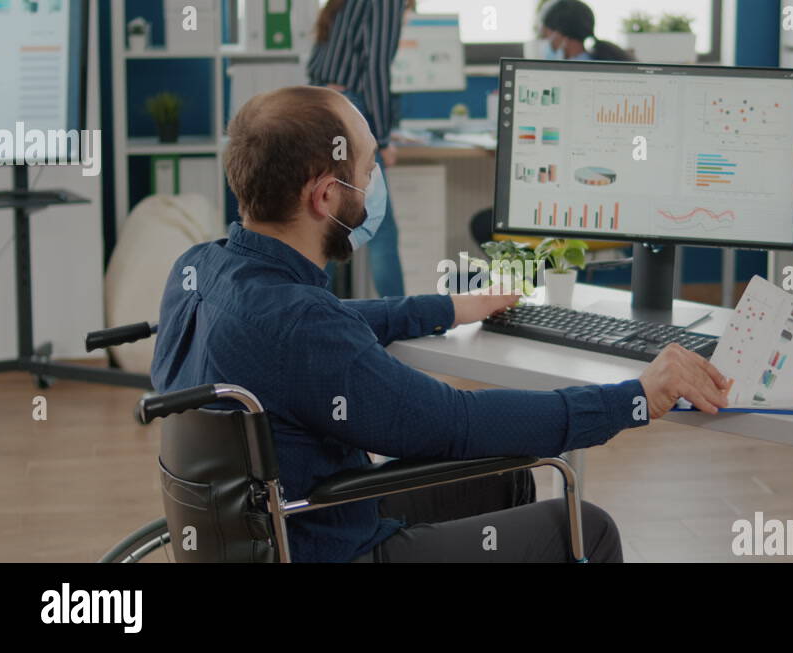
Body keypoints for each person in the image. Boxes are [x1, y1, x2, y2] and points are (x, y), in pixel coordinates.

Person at [151, 86, 730, 563]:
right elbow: (457, 422)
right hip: (334, 545)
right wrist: (632, 399)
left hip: (264, 534)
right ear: (327, 195)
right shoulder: (301, 327)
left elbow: (331, 323)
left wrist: (449, 307)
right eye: (368, 167)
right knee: (589, 527)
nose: (375, 183)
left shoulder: (200, 270)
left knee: (500, 482)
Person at [306, 0, 410, 298]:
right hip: (351, 107)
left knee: (325, 219)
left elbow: (317, 62)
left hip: (322, 103)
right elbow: (376, 70)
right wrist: (383, 138)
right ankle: (401, 321)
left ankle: (312, 309)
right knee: (381, 229)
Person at [538, 0, 634, 62]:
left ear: (562, 36)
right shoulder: (599, 61)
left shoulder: (573, 70)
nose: (547, 40)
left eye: (548, 34)